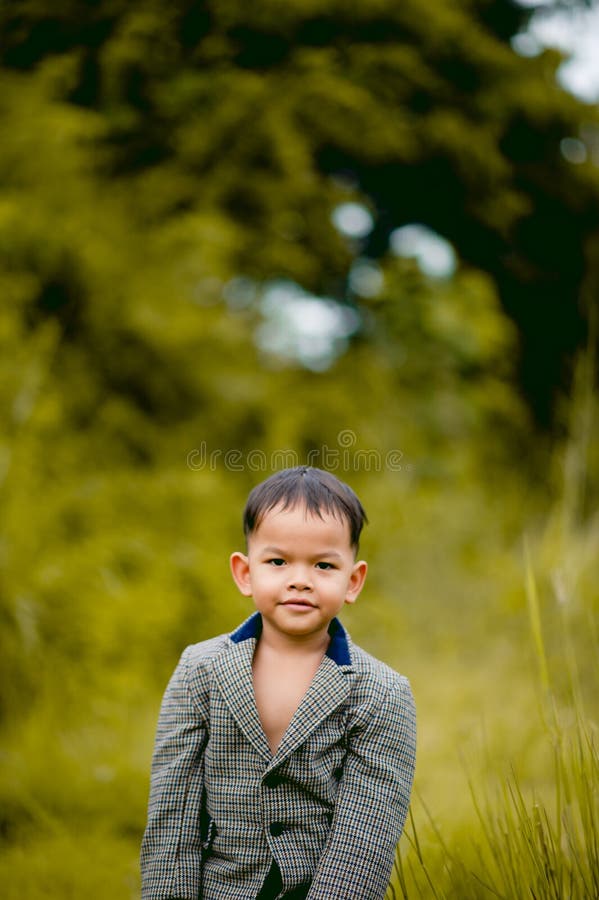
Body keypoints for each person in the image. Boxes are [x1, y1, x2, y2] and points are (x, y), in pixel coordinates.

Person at [141, 466, 416, 900]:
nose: (300, 580)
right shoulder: (201, 669)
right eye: (278, 562)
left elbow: (365, 839)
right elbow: (172, 815)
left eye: (323, 565)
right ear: (245, 572)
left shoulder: (382, 693)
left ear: (353, 581)